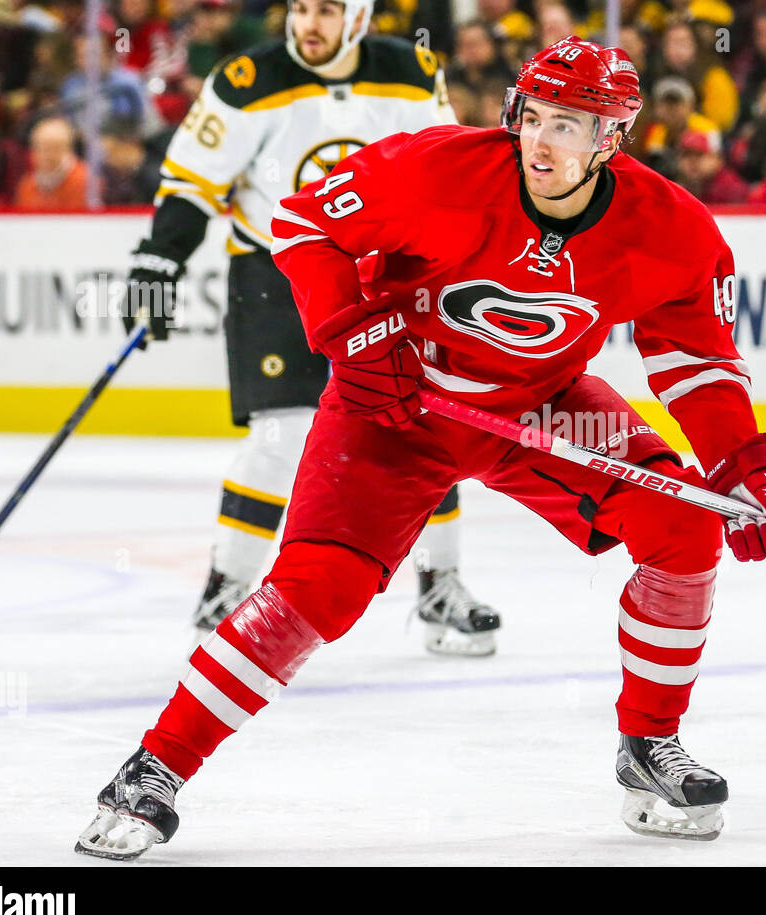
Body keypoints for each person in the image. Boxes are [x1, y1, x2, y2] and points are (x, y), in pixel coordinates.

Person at [76, 35, 766, 859]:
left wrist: (744, 468)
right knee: (319, 590)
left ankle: (648, 749)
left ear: (612, 139)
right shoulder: (438, 170)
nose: (540, 139)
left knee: (683, 526)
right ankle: (151, 770)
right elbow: (303, 221)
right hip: (397, 409)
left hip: (544, 410)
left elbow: (699, 365)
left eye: (568, 125)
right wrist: (349, 330)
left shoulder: (671, 230)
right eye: (532, 116)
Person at [118, 0, 503, 656]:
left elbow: (443, 170)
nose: (309, 24)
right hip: (275, 274)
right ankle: (226, 592)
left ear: (358, 17)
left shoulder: (409, 72)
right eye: (300, 8)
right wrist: (162, 256)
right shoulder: (249, 80)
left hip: (382, 274)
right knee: (283, 434)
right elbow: (190, 182)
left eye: (327, 9)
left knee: (423, 425)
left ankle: (440, 586)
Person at [12, 113, 88, 209]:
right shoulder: (27, 185)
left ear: (67, 149)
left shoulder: (84, 180)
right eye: (41, 148)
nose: (47, 155)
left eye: (54, 148)